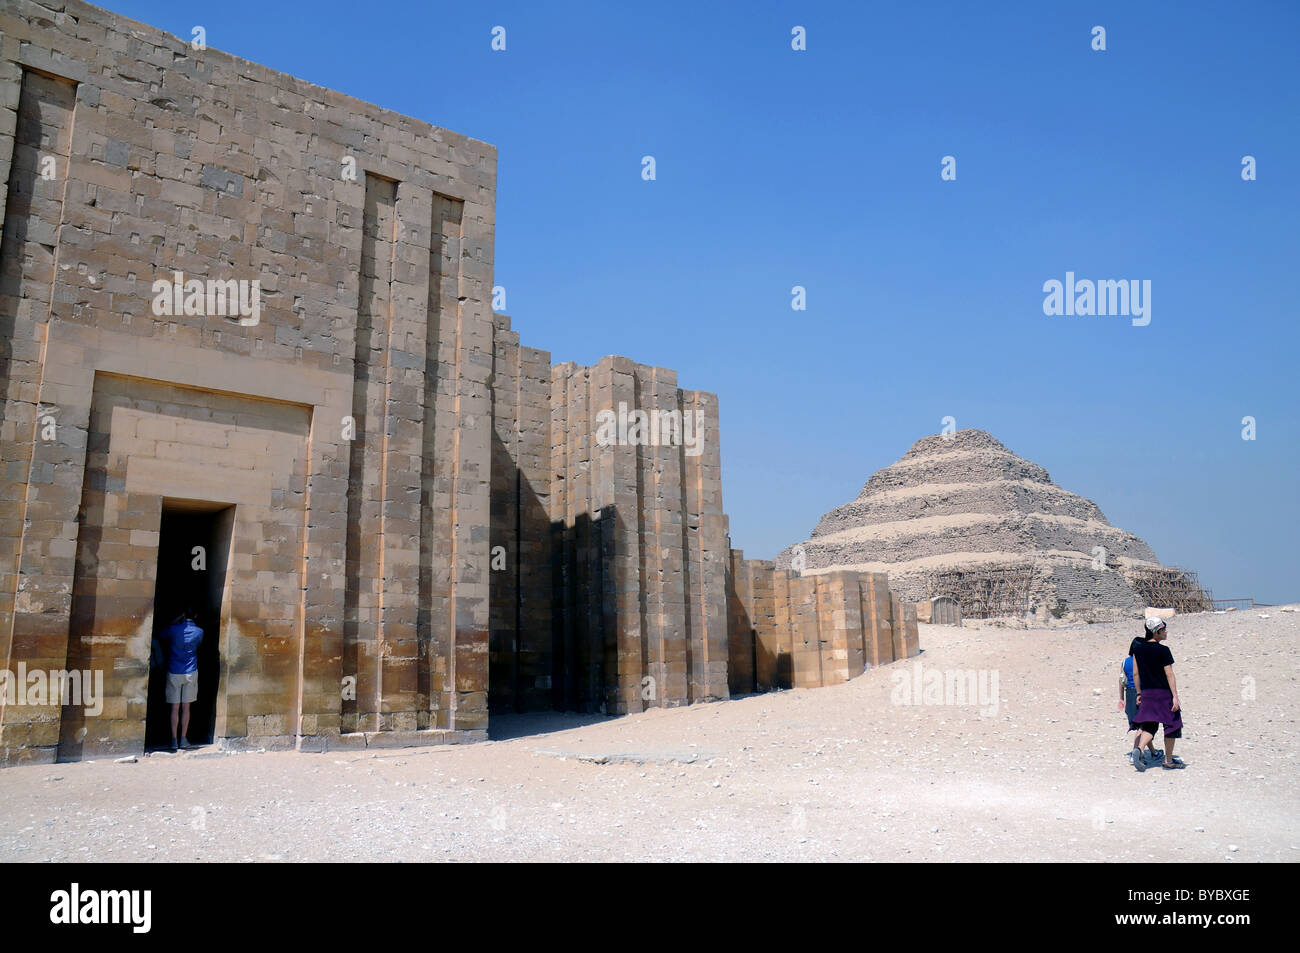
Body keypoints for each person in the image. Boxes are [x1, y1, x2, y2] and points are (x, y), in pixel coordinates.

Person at [1130, 616, 1185, 771]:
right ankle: (1168, 761)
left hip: (1147, 693)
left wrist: (1139, 693)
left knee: (1149, 724)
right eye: (1163, 629)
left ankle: (1139, 749)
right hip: (1163, 694)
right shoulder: (1163, 650)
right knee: (1172, 724)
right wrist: (1175, 696)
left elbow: (1135, 674)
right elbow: (1169, 674)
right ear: (1156, 632)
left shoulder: (1138, 650)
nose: (1166, 632)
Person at [158, 606, 204, 752]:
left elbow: (162, 634)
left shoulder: (173, 630)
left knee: (174, 708)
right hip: (191, 670)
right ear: (195, 616)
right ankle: (183, 739)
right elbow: (198, 644)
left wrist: (175, 621)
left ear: (183, 615)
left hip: (174, 670)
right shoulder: (199, 632)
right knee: (186, 708)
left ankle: (173, 740)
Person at [1119, 639, 1159, 763]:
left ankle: (1153, 752)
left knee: (1141, 725)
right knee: (1144, 726)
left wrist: (1121, 698)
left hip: (1129, 694)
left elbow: (1121, 680)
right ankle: (1135, 753)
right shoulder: (1143, 660)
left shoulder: (1125, 662)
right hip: (1141, 693)